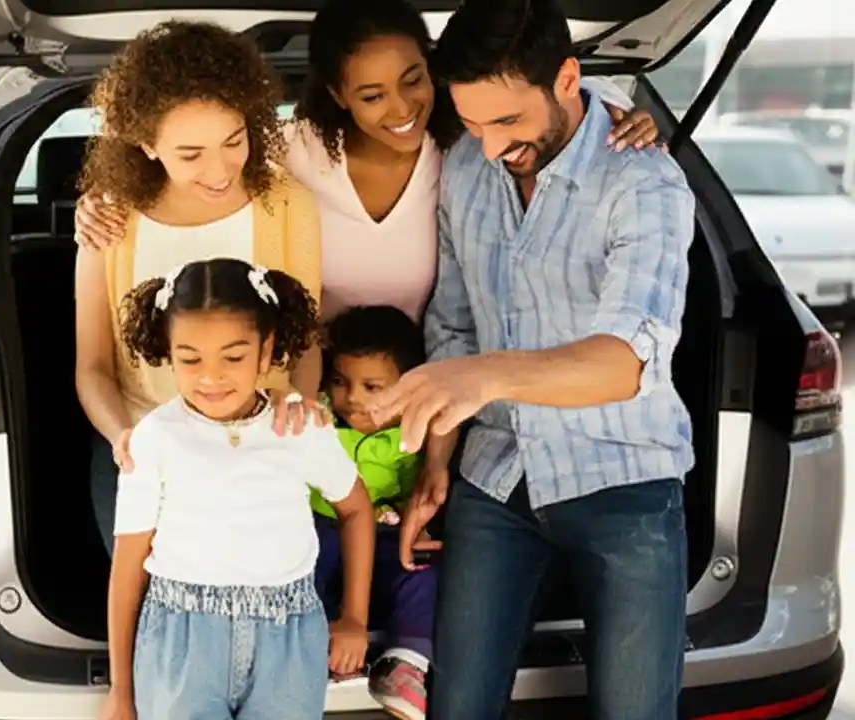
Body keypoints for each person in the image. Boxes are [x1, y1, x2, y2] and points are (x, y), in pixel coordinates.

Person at [374, 0, 695, 717]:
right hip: (496, 480)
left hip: (626, 482)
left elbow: (627, 361)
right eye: (475, 122)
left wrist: (485, 375)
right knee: (455, 706)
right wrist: (436, 469)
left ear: (567, 80)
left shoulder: (644, 183)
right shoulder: (465, 164)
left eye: (508, 123)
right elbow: (454, 325)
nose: (489, 146)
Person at [74, 0, 661, 326]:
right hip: (302, 390)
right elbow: (201, 155)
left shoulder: (466, 151)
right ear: (337, 95)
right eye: (371, 95)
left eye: (414, 81)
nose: (402, 109)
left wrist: (615, 110)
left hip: (421, 383)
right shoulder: (293, 150)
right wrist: (100, 198)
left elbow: (544, 105)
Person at [74, 21, 326, 551]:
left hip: (258, 455)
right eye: (191, 154)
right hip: (144, 455)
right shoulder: (109, 221)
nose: (221, 170)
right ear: (145, 143)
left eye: (234, 141)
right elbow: (93, 368)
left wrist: (296, 404)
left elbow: (303, 342)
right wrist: (126, 438)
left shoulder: (287, 205)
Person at [99, 258, 376, 720]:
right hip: (181, 643)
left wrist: (355, 618)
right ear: (168, 353)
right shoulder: (154, 439)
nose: (211, 377)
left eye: (233, 356)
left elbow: (356, 510)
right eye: (190, 359)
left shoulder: (299, 427)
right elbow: (128, 567)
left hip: (288, 642)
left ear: (266, 352)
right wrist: (121, 690)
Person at [312, 305, 439, 719]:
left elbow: (419, 494)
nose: (353, 399)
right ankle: (313, 648)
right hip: (323, 526)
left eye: (372, 386)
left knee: (420, 571)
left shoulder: (416, 431)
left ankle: (406, 664)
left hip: (388, 534)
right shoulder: (320, 420)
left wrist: (417, 526)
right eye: (339, 382)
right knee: (308, 561)